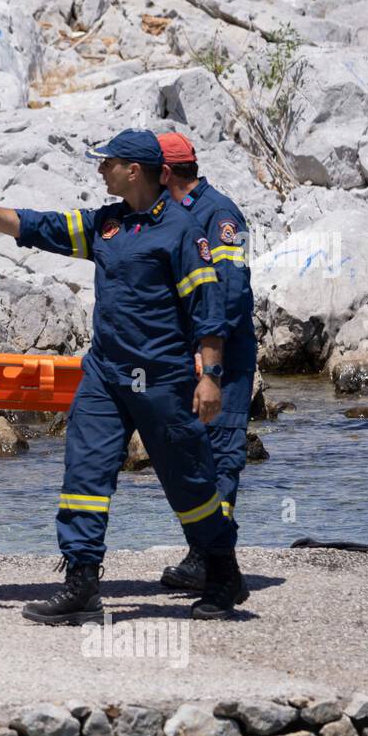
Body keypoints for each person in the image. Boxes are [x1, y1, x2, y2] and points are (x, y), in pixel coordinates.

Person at [0, 128, 244, 622]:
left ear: (133, 170)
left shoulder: (183, 230)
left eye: (107, 162)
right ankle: (81, 582)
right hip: (105, 374)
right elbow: (35, 226)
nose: (100, 168)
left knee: (187, 479)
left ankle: (223, 571)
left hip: (161, 379)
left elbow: (209, 310)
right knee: (83, 473)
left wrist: (211, 377)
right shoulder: (107, 224)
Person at [156, 133, 257, 598]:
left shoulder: (218, 214)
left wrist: (208, 352)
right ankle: (206, 551)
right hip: (189, 353)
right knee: (192, 449)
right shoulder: (171, 214)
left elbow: (230, 290)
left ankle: (212, 560)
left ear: (166, 173)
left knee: (221, 450)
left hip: (224, 354)